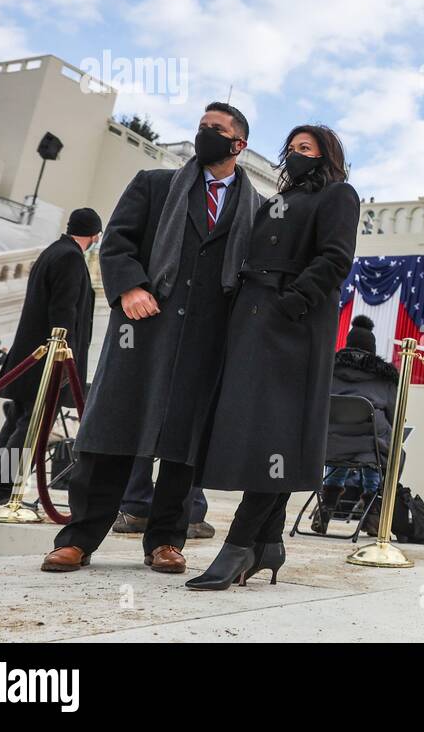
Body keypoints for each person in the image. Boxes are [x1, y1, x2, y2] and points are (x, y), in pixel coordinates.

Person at [40, 104, 261, 574]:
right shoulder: (154, 184)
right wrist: (130, 286)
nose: (205, 134)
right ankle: (79, 539)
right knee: (113, 436)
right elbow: (117, 241)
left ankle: (165, 541)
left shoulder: (255, 206)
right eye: (202, 127)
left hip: (206, 340)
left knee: (183, 446)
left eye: (216, 130)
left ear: (238, 144)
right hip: (142, 330)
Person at [187, 124, 360, 589]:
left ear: (327, 156)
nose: (295, 154)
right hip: (254, 316)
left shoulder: (339, 195)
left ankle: (238, 545)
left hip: (293, 324)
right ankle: (268, 544)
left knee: (276, 434)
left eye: (306, 148)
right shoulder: (278, 200)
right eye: (292, 148)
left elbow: (336, 257)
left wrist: (294, 302)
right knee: (262, 431)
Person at [0, 211, 99, 513]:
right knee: (27, 428)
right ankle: (2, 494)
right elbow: (63, 309)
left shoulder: (52, 252)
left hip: (30, 360)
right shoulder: (70, 257)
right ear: (95, 234)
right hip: (48, 363)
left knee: (15, 427)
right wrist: (63, 358)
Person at [311, 314, 398, 536]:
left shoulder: (327, 368)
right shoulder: (384, 377)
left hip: (326, 447)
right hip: (369, 449)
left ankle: (326, 504)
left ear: (348, 345)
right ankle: (372, 511)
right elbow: (392, 415)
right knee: (378, 451)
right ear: (372, 348)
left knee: (340, 439)